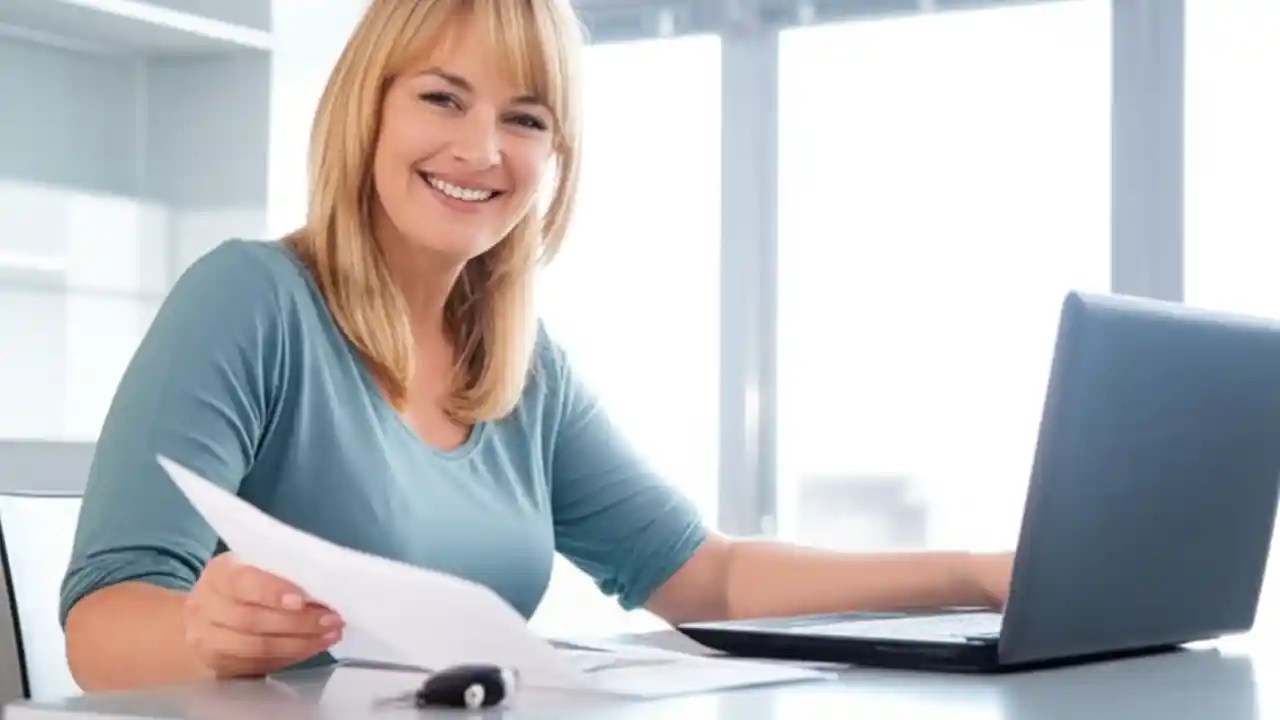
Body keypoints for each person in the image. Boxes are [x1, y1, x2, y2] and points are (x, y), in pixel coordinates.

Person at [60, 0, 1013, 692]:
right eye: (443, 98)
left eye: (525, 119)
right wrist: (203, 632)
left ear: (556, 159)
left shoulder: (522, 366)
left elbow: (706, 575)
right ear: (370, 109)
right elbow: (103, 618)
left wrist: (975, 575)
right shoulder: (251, 299)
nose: (482, 151)